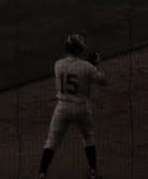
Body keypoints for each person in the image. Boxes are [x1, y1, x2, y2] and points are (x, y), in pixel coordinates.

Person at [37, 33, 105, 179]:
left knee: (52, 141)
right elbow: (102, 81)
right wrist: (95, 65)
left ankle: (42, 173)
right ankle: (93, 172)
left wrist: (89, 66)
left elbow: (75, 70)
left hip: (62, 108)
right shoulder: (87, 67)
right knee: (88, 137)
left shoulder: (58, 64)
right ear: (79, 50)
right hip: (82, 109)